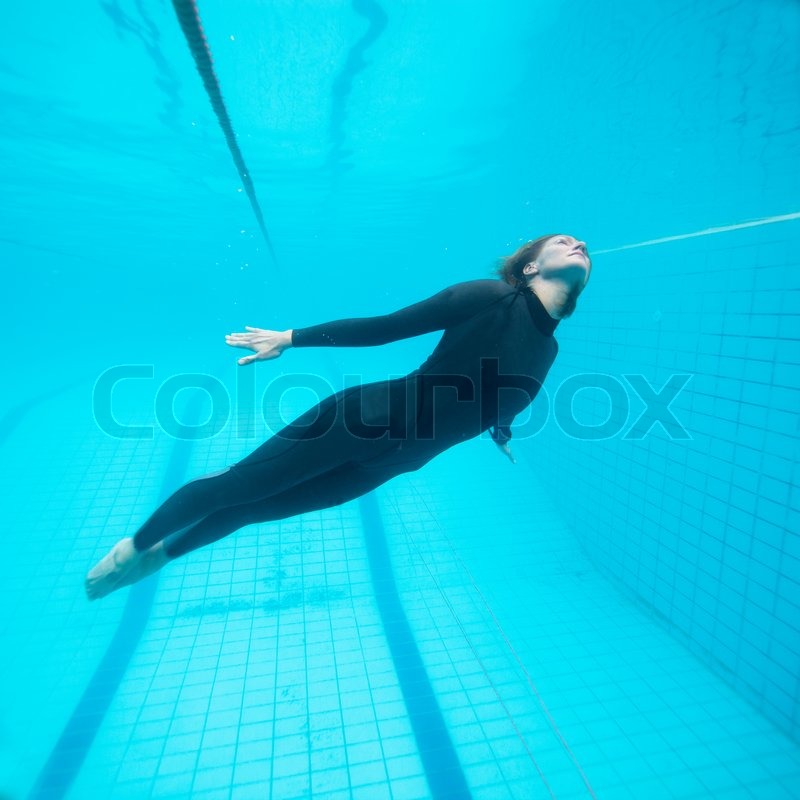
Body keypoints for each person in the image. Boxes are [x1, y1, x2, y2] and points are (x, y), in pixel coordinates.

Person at [85, 234, 592, 600]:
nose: (579, 246)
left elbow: (494, 395)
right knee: (238, 486)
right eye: (565, 241)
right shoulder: (492, 297)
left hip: (390, 465)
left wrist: (500, 431)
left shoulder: (547, 351)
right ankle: (136, 545)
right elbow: (386, 328)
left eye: (584, 248)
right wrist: (290, 338)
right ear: (529, 267)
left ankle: (160, 557)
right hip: (363, 419)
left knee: (256, 508)